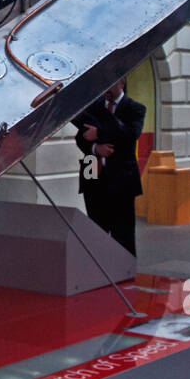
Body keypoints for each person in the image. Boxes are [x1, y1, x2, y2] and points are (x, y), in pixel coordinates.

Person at [74, 79, 145, 255]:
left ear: (121, 83)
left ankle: (124, 272)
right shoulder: (93, 106)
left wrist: (99, 133)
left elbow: (130, 134)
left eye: (109, 83)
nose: (105, 88)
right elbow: (81, 138)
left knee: (123, 233)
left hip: (121, 181)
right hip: (93, 175)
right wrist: (95, 148)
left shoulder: (134, 108)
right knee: (96, 231)